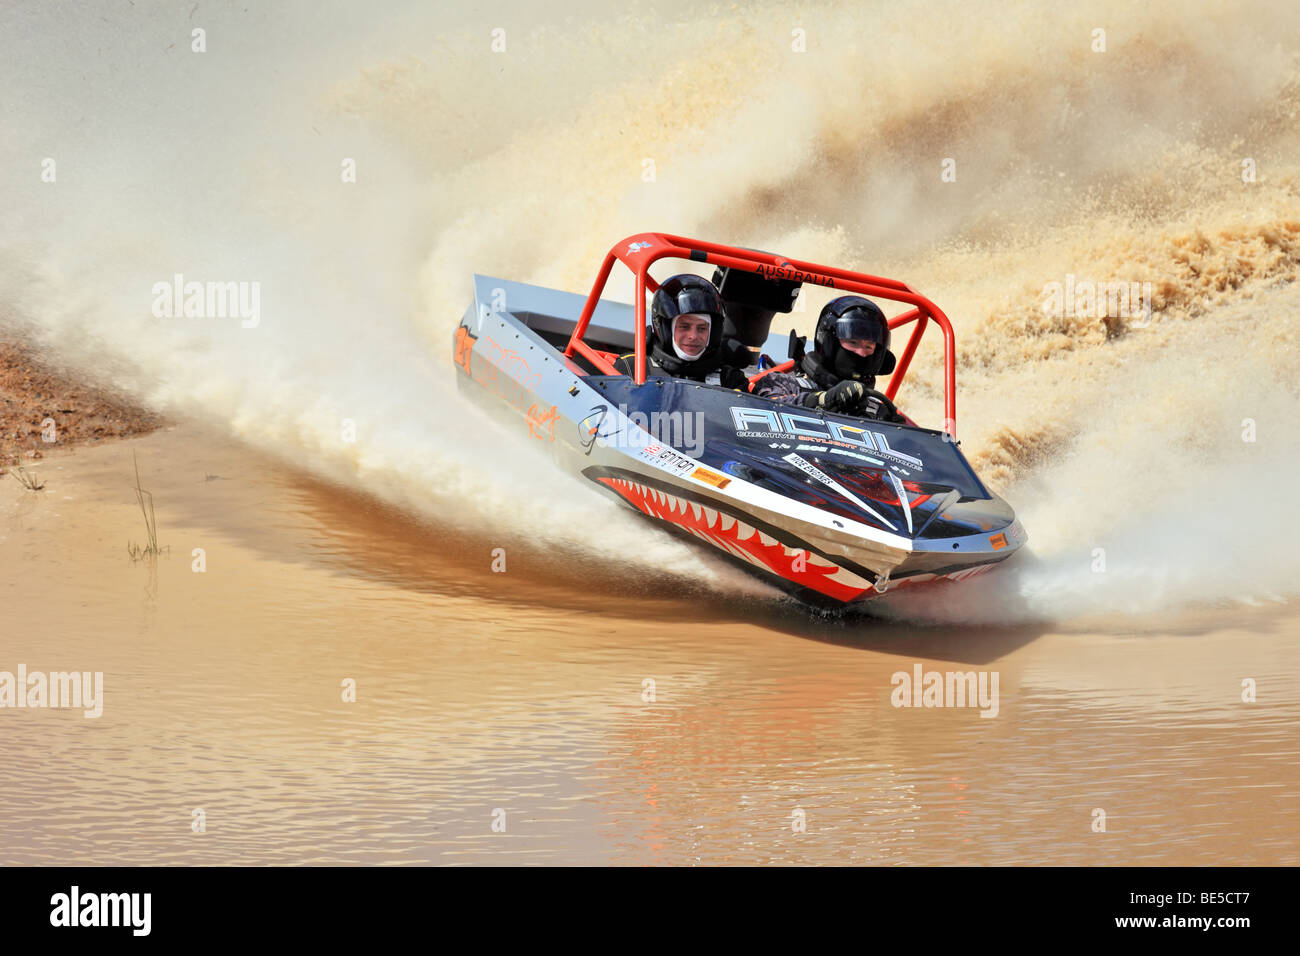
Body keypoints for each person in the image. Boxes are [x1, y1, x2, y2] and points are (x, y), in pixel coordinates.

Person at [753, 295, 906, 422]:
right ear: (829, 344)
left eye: (869, 347)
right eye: (853, 342)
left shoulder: (879, 410)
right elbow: (763, 410)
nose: (861, 352)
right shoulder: (782, 384)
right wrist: (823, 401)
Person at [614, 274, 749, 386]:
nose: (693, 336)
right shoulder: (631, 368)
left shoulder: (730, 379)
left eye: (702, 328)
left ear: (713, 332)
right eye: (684, 327)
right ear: (665, 330)